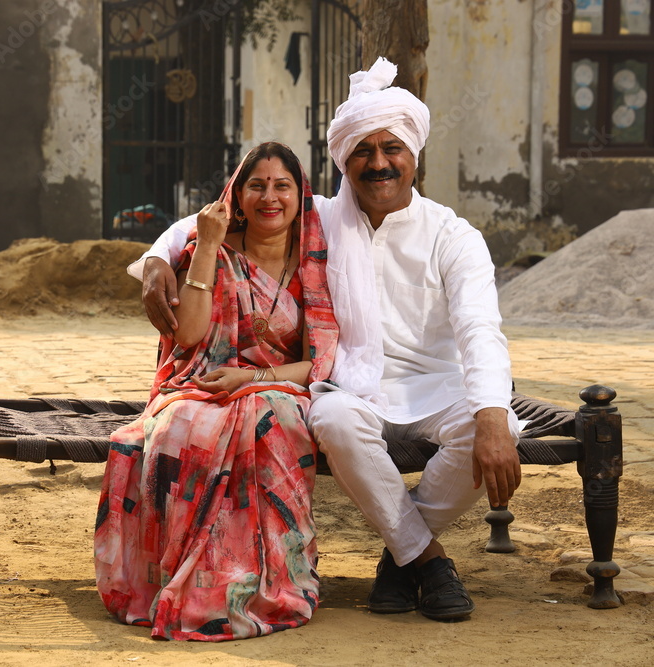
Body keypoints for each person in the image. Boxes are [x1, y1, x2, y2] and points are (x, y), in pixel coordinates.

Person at [134, 58, 521, 622]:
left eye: (392, 148)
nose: (379, 162)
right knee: (334, 421)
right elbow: (216, 217)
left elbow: (481, 329)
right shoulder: (320, 217)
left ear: (414, 156)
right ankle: (428, 559)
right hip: (351, 384)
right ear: (344, 159)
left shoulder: (453, 236)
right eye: (363, 150)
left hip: (437, 387)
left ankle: (403, 556)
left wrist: (489, 418)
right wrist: (154, 258)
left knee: (501, 426)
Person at [94, 142, 338, 641]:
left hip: (282, 386)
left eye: (282, 185)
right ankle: (191, 578)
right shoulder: (216, 251)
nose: (270, 197)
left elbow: (322, 364)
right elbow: (188, 337)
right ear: (238, 196)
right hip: (201, 382)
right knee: (183, 425)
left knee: (266, 418)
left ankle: (267, 579)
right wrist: (206, 246)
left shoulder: (319, 264)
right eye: (257, 185)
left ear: (301, 195)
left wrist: (250, 379)